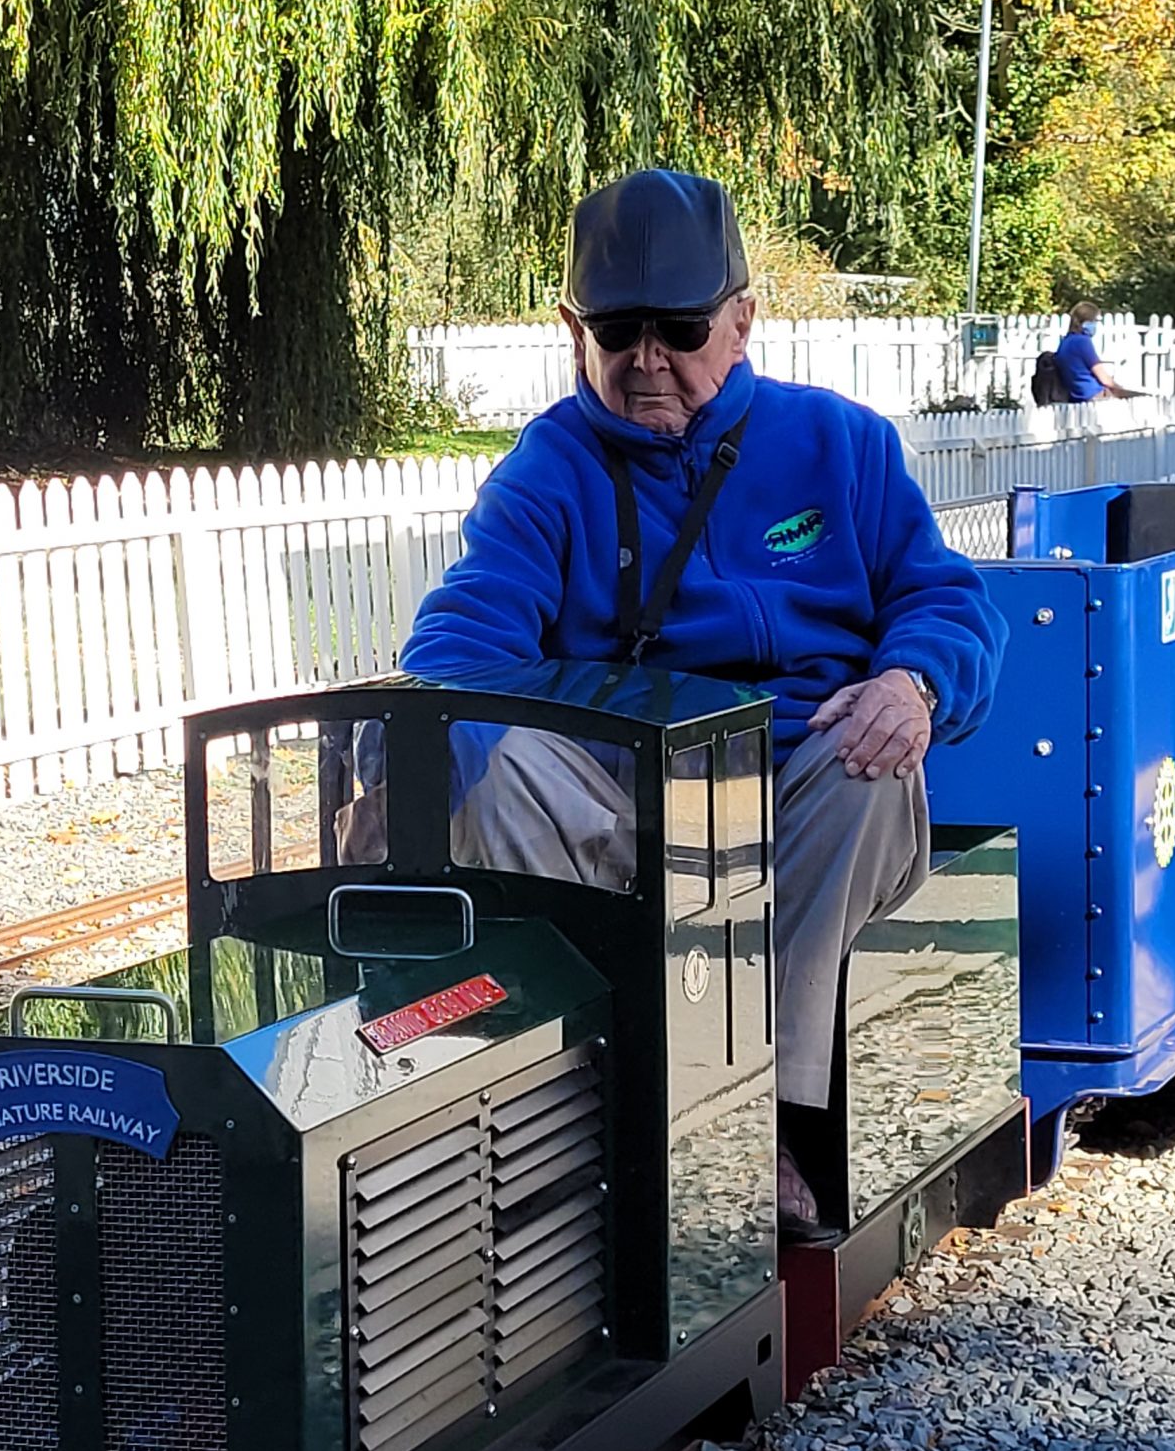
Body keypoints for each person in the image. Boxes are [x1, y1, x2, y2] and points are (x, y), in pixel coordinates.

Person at [401, 167, 1006, 1241]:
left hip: (797, 777)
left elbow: (946, 600)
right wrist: (407, 767)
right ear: (573, 330)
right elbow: (459, 646)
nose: (647, 359)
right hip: (628, 790)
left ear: (741, 321)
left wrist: (912, 682)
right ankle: (577, 1097)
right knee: (496, 760)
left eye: (678, 330)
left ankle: (766, 1122)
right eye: (617, 330)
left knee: (872, 767)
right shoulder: (546, 471)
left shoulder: (845, 445)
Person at [1054, 301, 1137, 402]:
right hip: (1093, 395)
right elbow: (1105, 379)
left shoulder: (1065, 341)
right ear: (1086, 322)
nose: (1096, 325)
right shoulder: (1082, 341)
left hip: (1074, 396)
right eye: (1095, 321)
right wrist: (1123, 392)